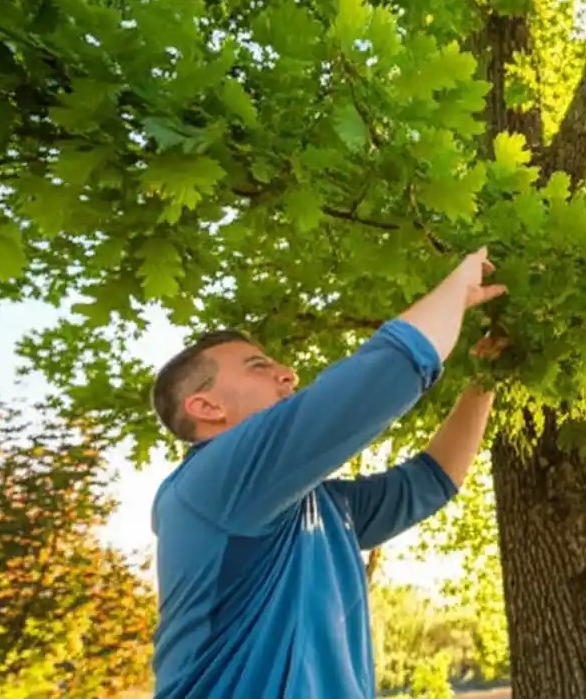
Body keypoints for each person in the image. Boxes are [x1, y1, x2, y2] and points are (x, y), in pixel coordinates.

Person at [148, 248, 507, 698]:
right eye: (259, 366)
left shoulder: (321, 508)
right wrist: (459, 283)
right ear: (206, 407)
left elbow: (432, 481)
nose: (288, 373)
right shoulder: (208, 486)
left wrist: (486, 380)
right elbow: (384, 374)